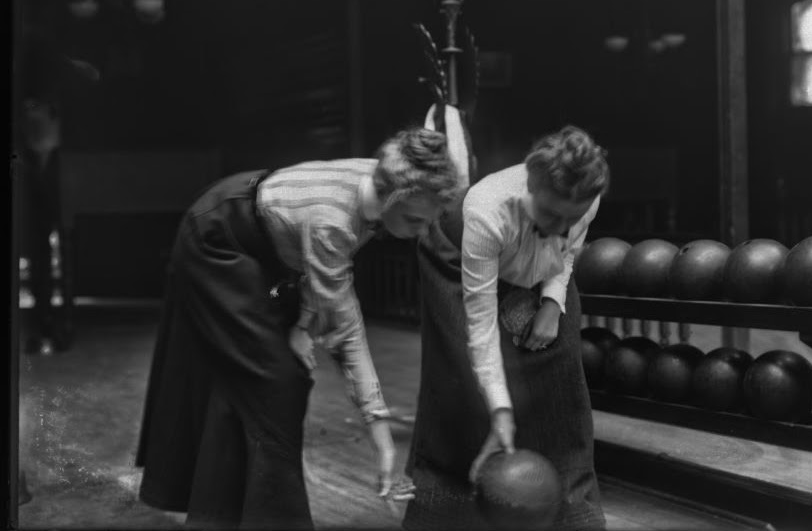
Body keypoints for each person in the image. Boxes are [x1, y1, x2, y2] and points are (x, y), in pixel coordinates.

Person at [135, 127, 460, 530]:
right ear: (390, 197)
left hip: (264, 244)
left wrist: (302, 327)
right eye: (414, 220)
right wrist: (381, 437)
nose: (421, 233)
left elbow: (318, 266)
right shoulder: (333, 221)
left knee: (264, 372)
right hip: (216, 238)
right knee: (278, 381)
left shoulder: (380, 181)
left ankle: (219, 514)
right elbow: (345, 327)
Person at [403, 125, 610, 530]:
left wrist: (552, 303)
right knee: (464, 383)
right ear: (529, 187)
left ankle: (572, 511)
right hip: (454, 252)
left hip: (535, 265)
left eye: (569, 218)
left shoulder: (583, 202)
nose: (558, 226)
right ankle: (448, 510)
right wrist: (500, 411)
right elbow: (480, 324)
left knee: (560, 365)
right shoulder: (487, 210)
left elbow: (565, 251)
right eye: (550, 213)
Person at [16, 30, 99, 355]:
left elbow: (89, 77)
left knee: (55, 245)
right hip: (32, 174)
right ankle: (41, 321)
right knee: (38, 246)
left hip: (57, 173)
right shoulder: (28, 105)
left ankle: (53, 320)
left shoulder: (63, 99)